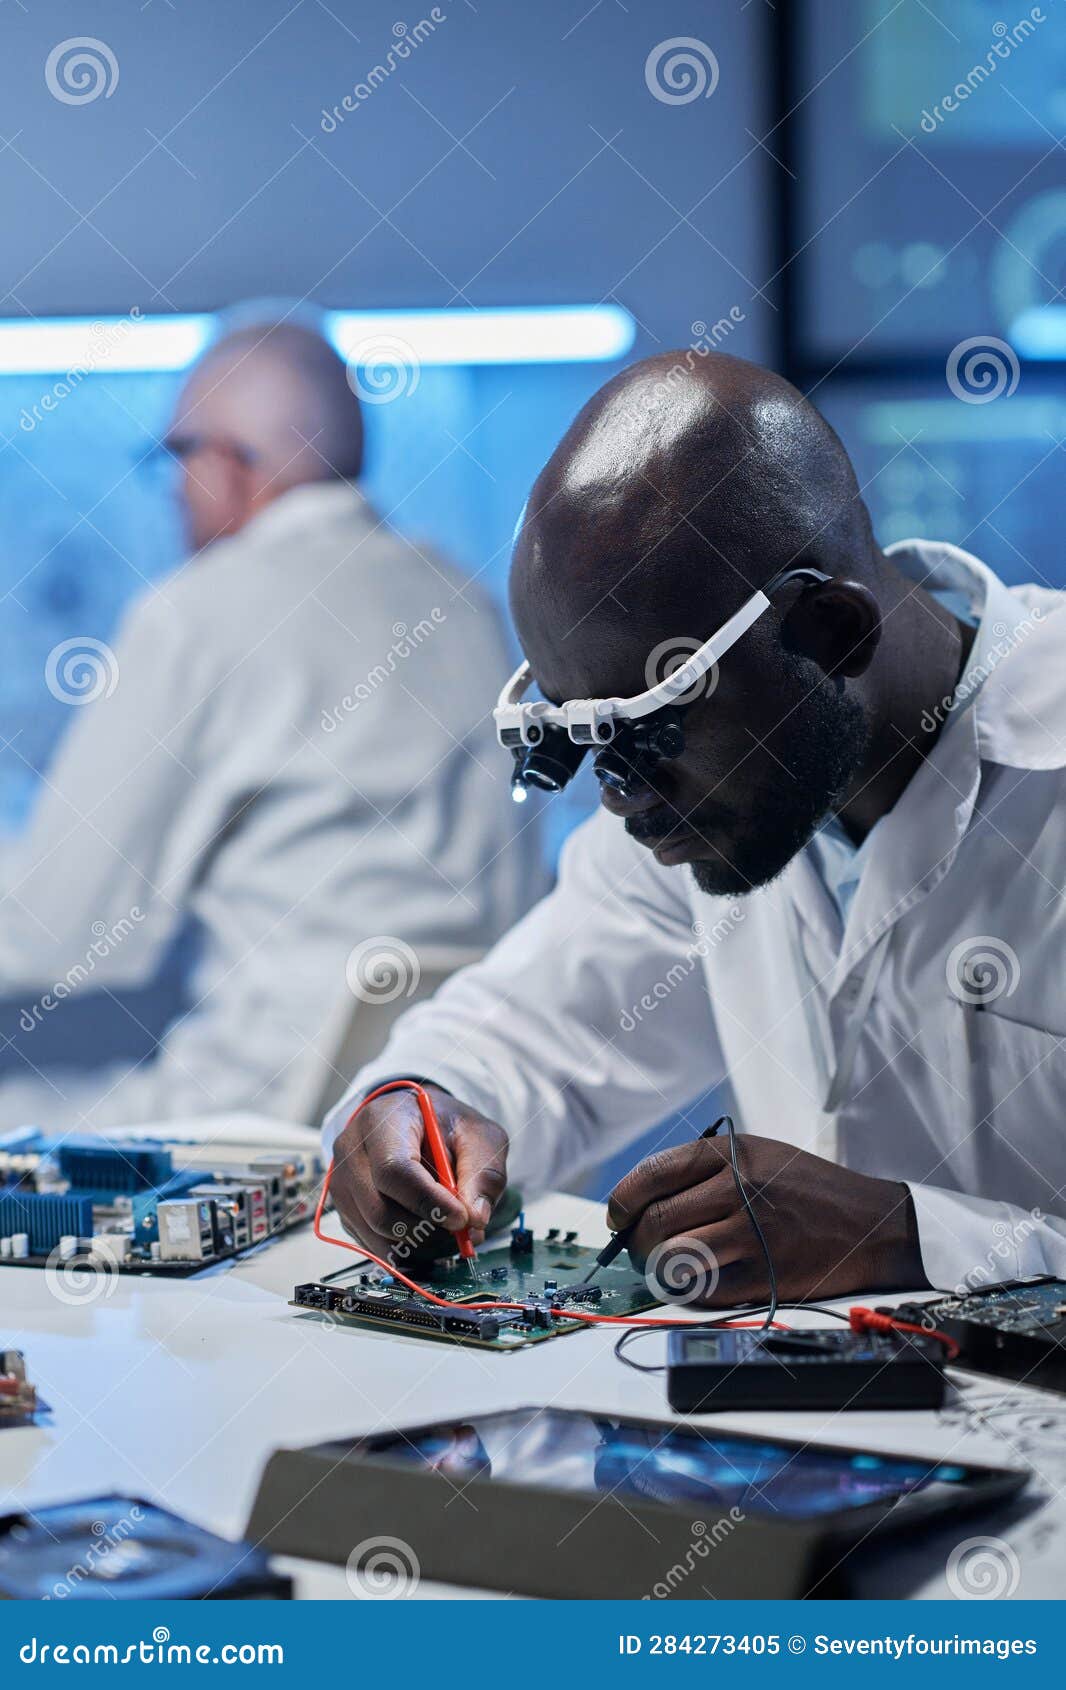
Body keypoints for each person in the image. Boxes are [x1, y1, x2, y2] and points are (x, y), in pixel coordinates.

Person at [324, 349, 1066, 1304]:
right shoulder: (708, 814)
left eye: (654, 728)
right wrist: (414, 1109)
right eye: (581, 735)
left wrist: (905, 1237)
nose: (623, 795)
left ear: (834, 633)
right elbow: (518, 1038)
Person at [0, 318, 542, 1131]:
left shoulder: (197, 611)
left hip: (256, 1115)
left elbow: (57, 931)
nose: (173, 489)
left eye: (174, 458)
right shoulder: (463, 602)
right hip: (447, 1107)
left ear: (230, 461)